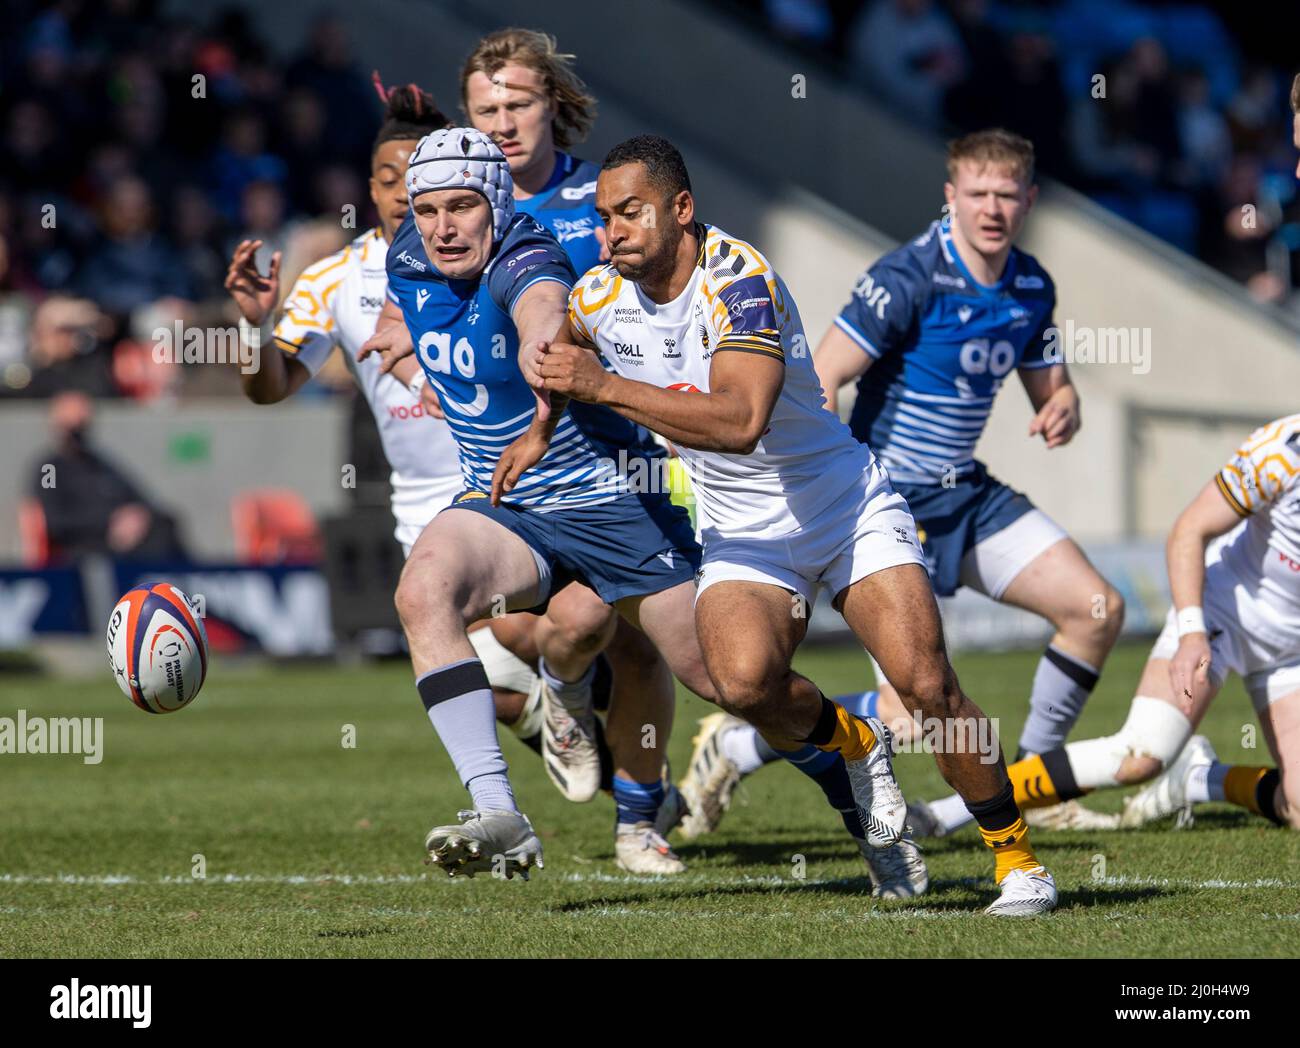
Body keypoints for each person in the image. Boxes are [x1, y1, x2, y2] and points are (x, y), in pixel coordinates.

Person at [497, 134, 1057, 914]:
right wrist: (538, 427)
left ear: (682, 210)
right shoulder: (597, 295)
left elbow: (740, 422)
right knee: (740, 682)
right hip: (745, 534)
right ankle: (856, 747)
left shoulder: (741, 279)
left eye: (630, 213)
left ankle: (1018, 862)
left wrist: (605, 388)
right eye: (602, 217)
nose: (610, 232)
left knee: (928, 686)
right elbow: (566, 353)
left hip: (843, 507)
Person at [688, 128, 1124, 841]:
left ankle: (1039, 782)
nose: (992, 208)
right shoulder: (908, 276)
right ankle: (738, 745)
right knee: (913, 708)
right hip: (887, 498)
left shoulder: (1032, 283)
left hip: (968, 495)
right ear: (951, 196)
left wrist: (1062, 403)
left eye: (1007, 195)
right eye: (977, 193)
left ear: (1029, 200)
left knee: (1097, 609)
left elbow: (1053, 386)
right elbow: (823, 376)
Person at [362, 127, 714, 876]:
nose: (441, 224)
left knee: (718, 672)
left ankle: (671, 795)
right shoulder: (403, 254)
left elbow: (541, 303)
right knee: (427, 596)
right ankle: (502, 812)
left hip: (615, 485)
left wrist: (541, 351)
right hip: (507, 500)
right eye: (425, 208)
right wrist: (396, 326)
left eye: (460, 205)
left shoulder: (555, 230)